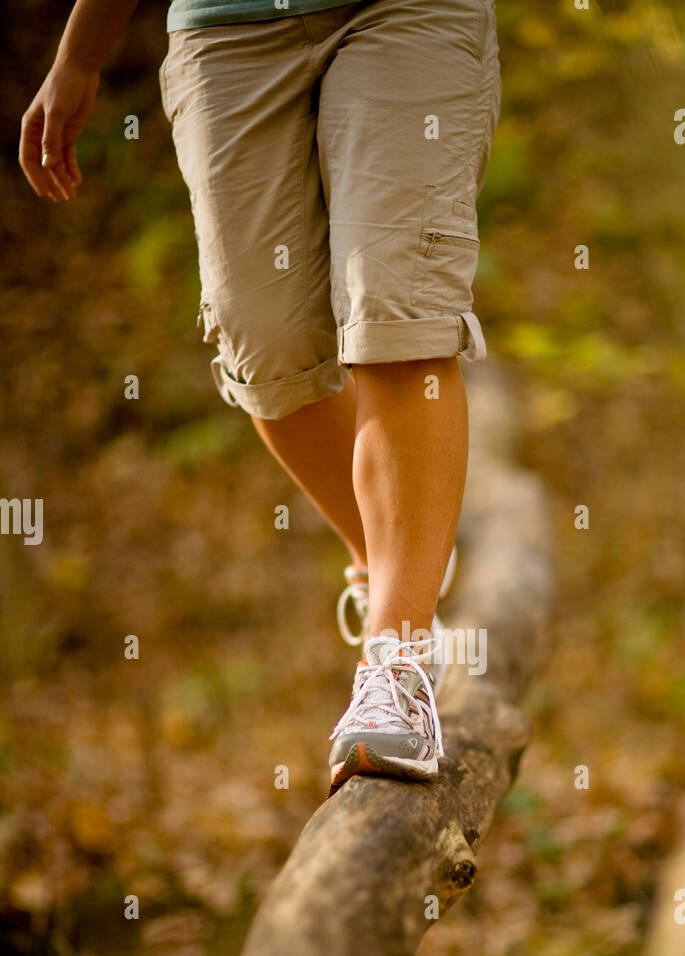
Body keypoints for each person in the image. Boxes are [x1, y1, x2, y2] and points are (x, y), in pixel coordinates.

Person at [19, 0, 501, 791]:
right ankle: (385, 564)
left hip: (403, 12)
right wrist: (79, 54)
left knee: (397, 310)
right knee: (265, 350)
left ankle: (398, 661)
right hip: (227, 27)